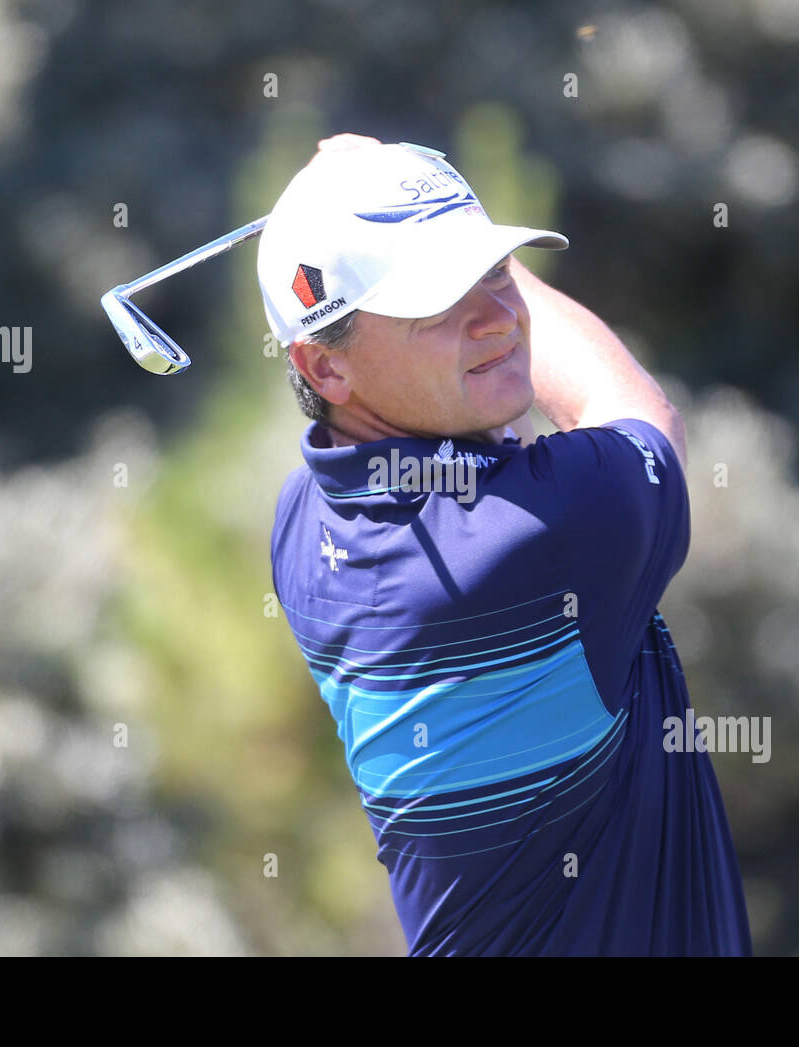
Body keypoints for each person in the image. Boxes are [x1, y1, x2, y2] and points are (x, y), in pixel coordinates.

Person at [261, 133, 751, 956]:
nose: (497, 316)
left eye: (491, 272)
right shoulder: (547, 535)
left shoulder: (300, 522)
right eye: (435, 298)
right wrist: (479, 246)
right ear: (327, 369)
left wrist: (403, 220)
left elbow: (481, 440)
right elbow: (639, 413)